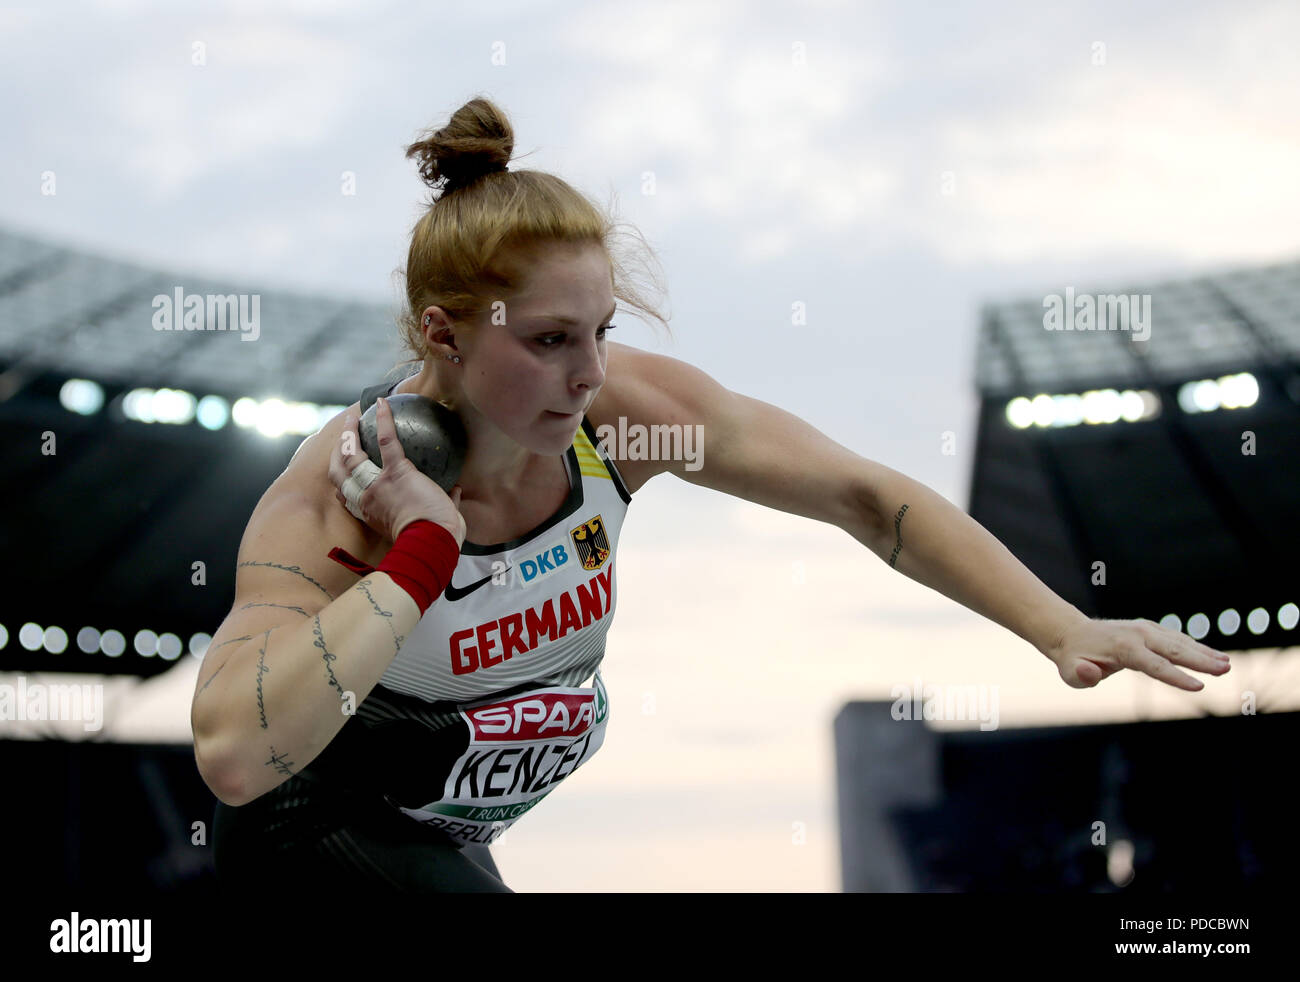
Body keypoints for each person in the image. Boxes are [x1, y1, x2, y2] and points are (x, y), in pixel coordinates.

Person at [192, 96, 1232, 897]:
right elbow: (238, 754)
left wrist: (1057, 625)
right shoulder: (346, 490)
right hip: (305, 827)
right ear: (442, 333)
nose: (591, 371)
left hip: (443, 840)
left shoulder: (622, 423)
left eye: (601, 329)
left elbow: (865, 497)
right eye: (551, 340)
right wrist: (423, 548)